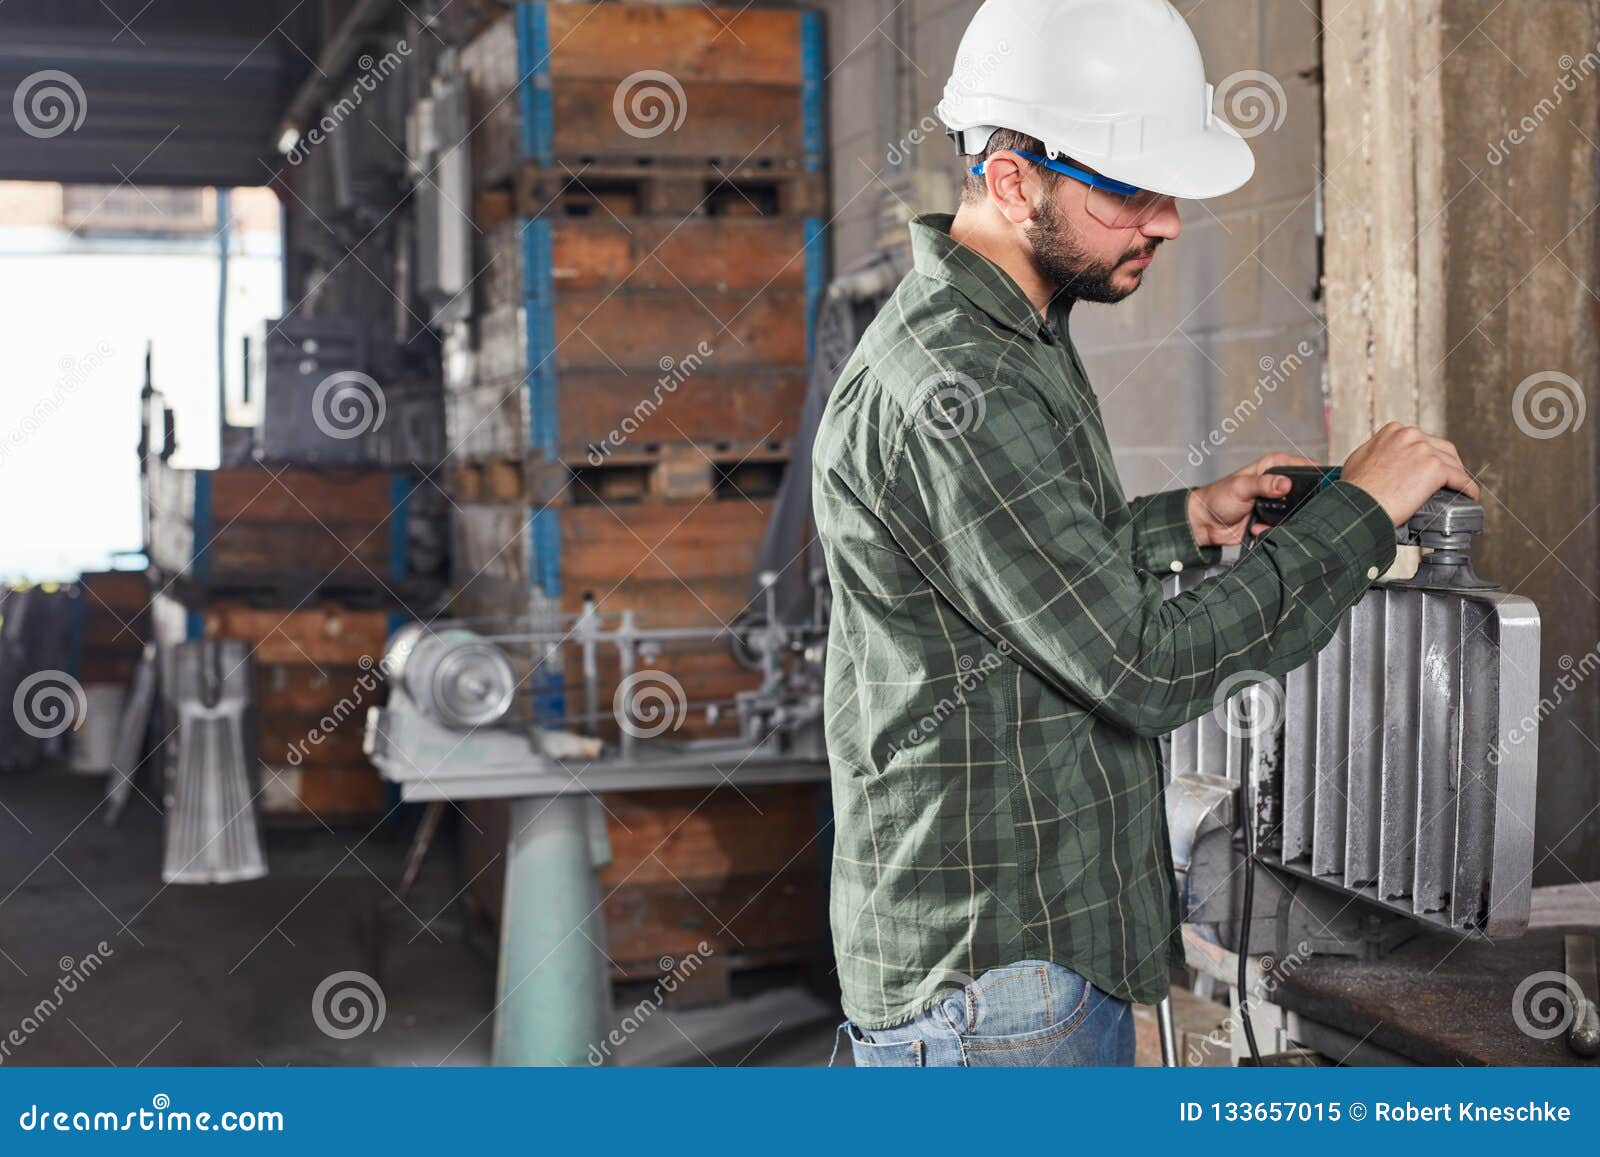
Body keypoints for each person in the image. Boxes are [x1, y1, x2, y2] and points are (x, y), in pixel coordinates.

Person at [812, 0, 1477, 1068]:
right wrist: (1357, 513)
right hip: (998, 982)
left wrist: (1180, 521)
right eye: (1129, 191)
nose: (1164, 221)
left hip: (1021, 956)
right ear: (1014, 177)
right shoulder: (964, 378)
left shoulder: (1008, 330)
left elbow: (1019, 577)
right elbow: (1140, 664)